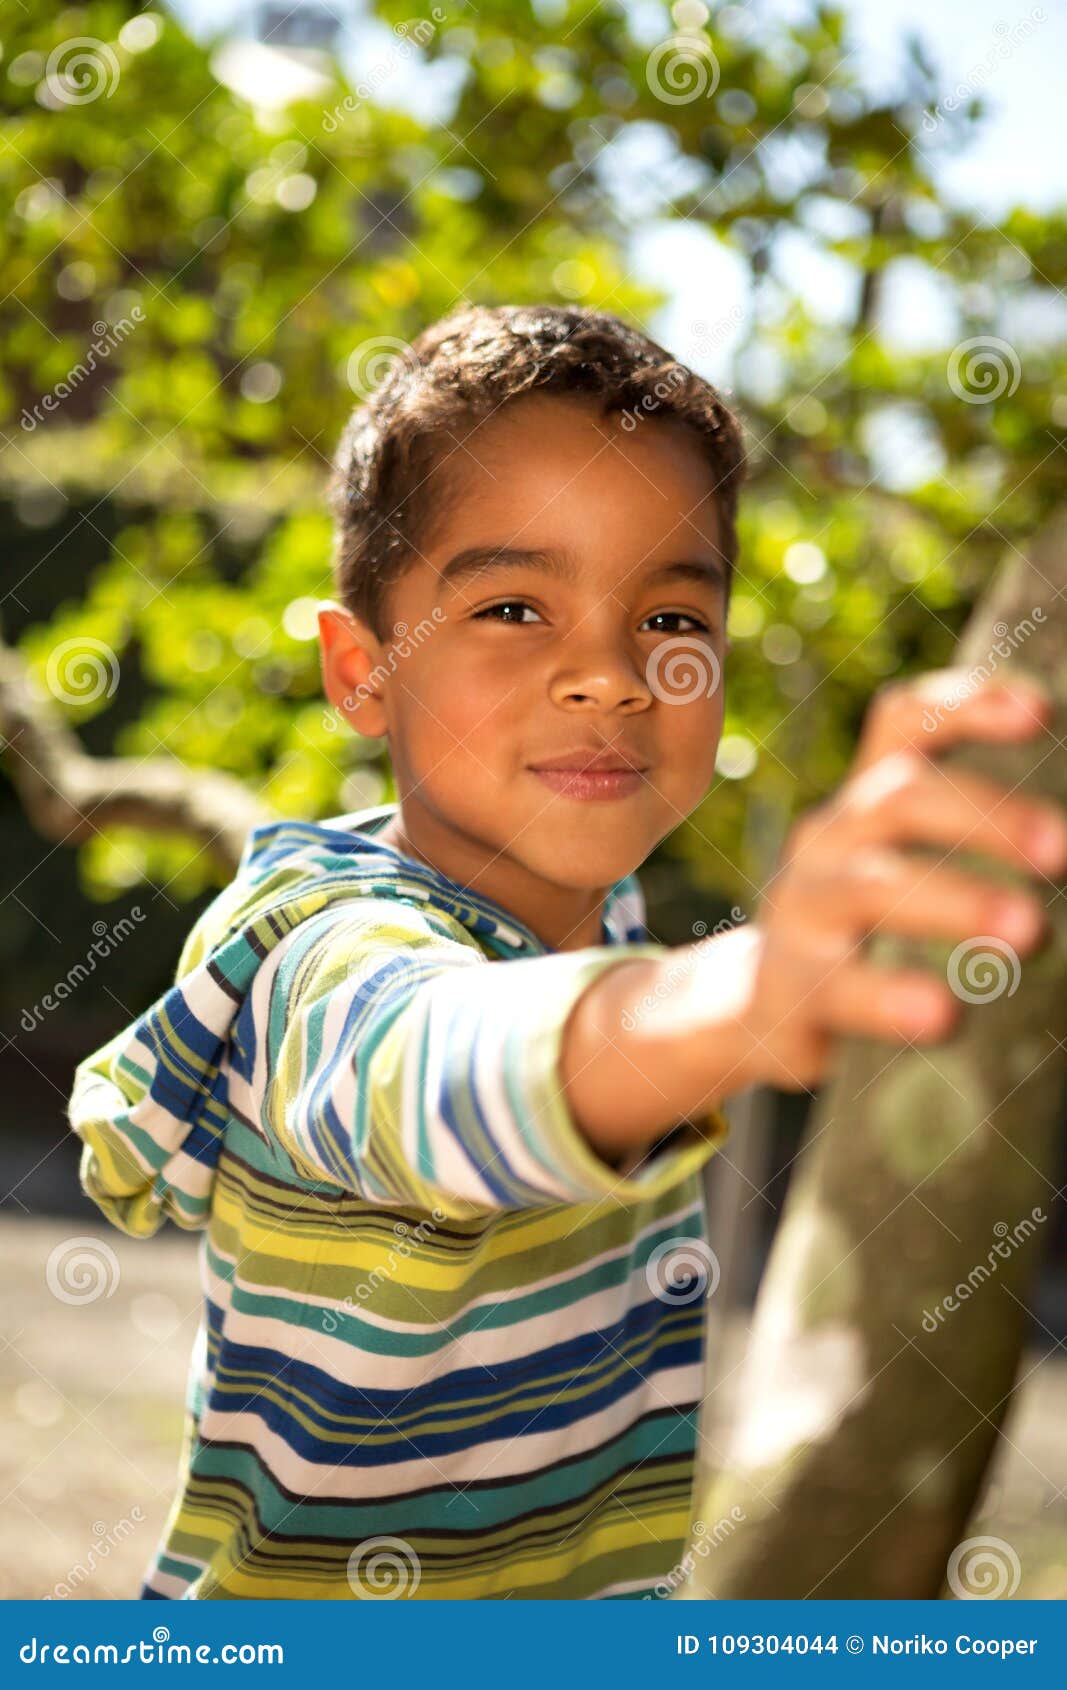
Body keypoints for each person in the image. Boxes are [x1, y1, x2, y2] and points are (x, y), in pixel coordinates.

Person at [67, 303, 1067, 1600]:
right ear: (363, 671)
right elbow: (436, 1058)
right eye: (515, 604)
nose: (609, 673)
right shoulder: (317, 954)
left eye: (670, 619)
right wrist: (752, 986)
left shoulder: (617, 936)